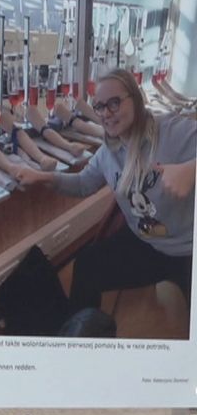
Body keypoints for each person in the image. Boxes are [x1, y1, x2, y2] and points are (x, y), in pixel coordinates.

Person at [16, 68, 196, 314]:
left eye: (114, 103)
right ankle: (84, 341)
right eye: (100, 106)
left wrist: (191, 168)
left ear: (136, 98)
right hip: (146, 244)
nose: (106, 114)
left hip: (188, 251)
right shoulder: (108, 153)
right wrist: (43, 177)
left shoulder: (171, 131)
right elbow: (83, 184)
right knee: (87, 265)